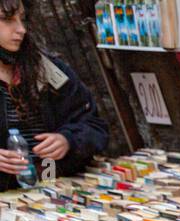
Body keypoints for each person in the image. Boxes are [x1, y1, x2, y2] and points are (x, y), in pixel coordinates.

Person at [0, 1, 108, 189]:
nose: (21, 29)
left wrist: (68, 140)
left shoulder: (48, 70)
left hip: (51, 180)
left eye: (23, 19)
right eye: (8, 20)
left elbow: (95, 127)